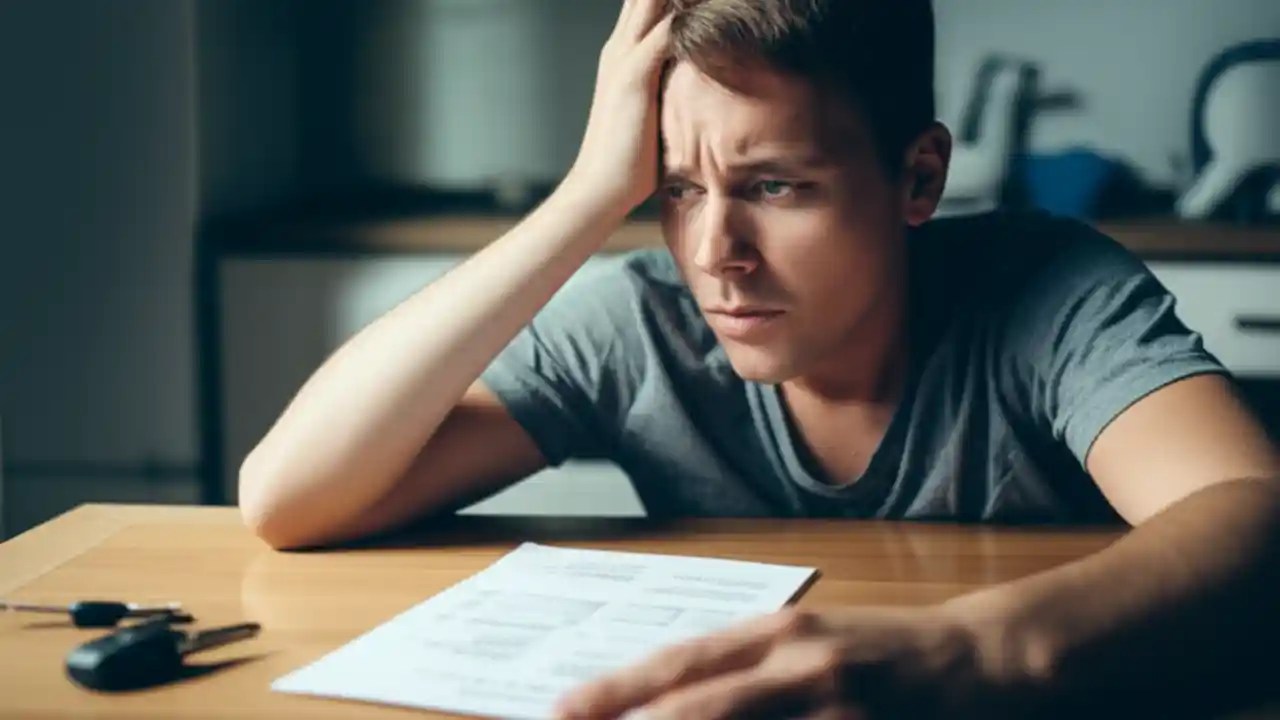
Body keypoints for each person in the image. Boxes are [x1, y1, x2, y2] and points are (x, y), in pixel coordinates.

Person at [238, 0, 1280, 717]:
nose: (712, 256)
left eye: (775, 186)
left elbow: (1255, 511)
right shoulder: (640, 321)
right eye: (679, 187)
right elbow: (290, 498)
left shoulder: (1044, 291)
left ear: (916, 178)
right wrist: (586, 199)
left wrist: (969, 653)